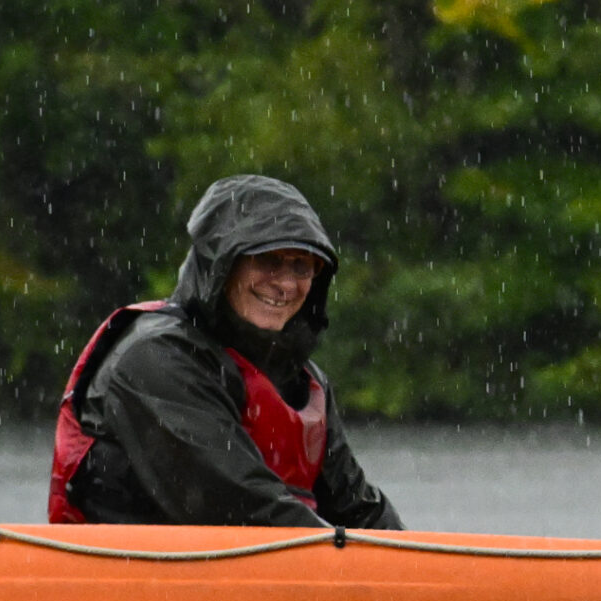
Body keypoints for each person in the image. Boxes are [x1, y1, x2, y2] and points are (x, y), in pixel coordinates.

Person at [48, 174, 403, 529]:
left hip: (264, 559)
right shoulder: (153, 360)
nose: (285, 283)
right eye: (268, 260)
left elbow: (360, 511)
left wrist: (411, 555)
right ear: (221, 264)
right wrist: (342, 555)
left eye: (302, 266)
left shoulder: (304, 382)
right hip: (137, 564)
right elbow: (242, 508)